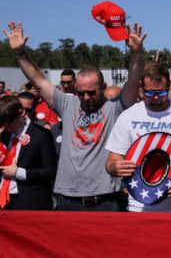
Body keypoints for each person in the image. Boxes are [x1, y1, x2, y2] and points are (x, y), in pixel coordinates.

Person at [2, 21, 146, 211]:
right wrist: (20, 53)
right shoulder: (68, 104)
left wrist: (136, 53)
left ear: (103, 88)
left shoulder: (114, 107)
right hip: (67, 198)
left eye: (91, 93)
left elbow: (134, 83)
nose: (85, 98)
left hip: (104, 199)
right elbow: (38, 79)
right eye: (81, 92)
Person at [105, 62, 171, 212]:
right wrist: (115, 166)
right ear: (141, 88)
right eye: (149, 92)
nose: (155, 97)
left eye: (161, 93)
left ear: (169, 88)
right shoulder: (128, 116)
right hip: (138, 208)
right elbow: (111, 161)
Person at [0, 96, 57, 210]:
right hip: (4, 200)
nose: (6, 126)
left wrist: (18, 172)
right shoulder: (5, 135)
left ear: (21, 112)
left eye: (10, 122)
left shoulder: (41, 135)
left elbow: (50, 171)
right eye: (2, 123)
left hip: (29, 202)